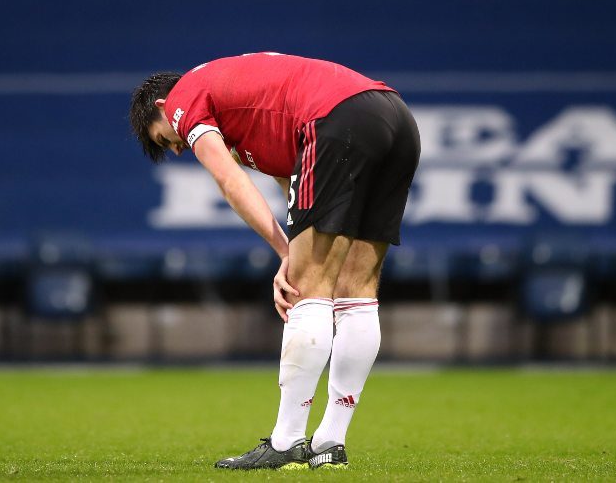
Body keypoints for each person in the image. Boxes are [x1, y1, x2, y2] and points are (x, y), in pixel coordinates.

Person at [128, 52, 420, 470]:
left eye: (164, 139)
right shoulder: (250, 124)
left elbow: (228, 180)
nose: (177, 150)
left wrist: (288, 254)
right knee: (354, 291)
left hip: (338, 118)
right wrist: (292, 245)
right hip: (395, 118)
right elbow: (294, 189)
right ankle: (330, 444)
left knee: (306, 289)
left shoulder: (183, 96)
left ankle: (286, 443)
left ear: (161, 107)